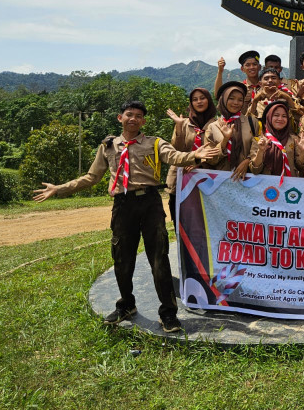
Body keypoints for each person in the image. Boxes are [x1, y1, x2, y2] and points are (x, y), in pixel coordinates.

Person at [33, 101, 221, 333]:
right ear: (119, 118)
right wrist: (59, 188)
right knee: (122, 259)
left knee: (159, 260)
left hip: (150, 203)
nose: (133, 119)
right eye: (129, 115)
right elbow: (91, 177)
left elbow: (174, 156)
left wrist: (195, 155)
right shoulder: (108, 146)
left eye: (138, 116)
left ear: (143, 121)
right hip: (123, 206)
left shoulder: (154, 143)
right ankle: (126, 305)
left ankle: (168, 313)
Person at [163, 87, 217, 226]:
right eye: (195, 99)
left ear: (209, 100)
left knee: (204, 223)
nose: (199, 102)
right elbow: (176, 150)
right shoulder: (184, 123)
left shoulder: (217, 124)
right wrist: (179, 127)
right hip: (180, 177)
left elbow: (218, 150)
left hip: (206, 179)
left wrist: (198, 162)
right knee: (180, 222)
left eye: (202, 98)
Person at [203, 81, 261, 179]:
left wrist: (248, 161)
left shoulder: (252, 122)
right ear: (223, 99)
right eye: (231, 98)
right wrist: (225, 140)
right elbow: (209, 159)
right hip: (220, 180)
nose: (236, 103)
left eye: (240, 100)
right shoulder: (213, 127)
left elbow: (258, 148)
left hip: (247, 179)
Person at [249, 100, 304, 183]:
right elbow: (255, 170)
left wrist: (303, 152)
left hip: (289, 186)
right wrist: (260, 151)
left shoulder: (294, 140)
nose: (280, 119)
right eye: (276, 115)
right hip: (265, 187)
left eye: (284, 116)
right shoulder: (259, 140)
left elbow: (301, 167)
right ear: (269, 118)